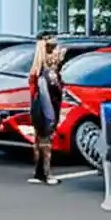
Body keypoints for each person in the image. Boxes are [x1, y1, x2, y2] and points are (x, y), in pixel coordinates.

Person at [28, 34, 65, 186]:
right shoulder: (48, 75)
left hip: (39, 109)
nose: (60, 53)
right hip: (46, 109)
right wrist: (51, 118)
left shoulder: (38, 72)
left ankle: (39, 172)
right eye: (57, 50)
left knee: (39, 140)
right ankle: (47, 173)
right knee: (45, 141)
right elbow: (47, 96)